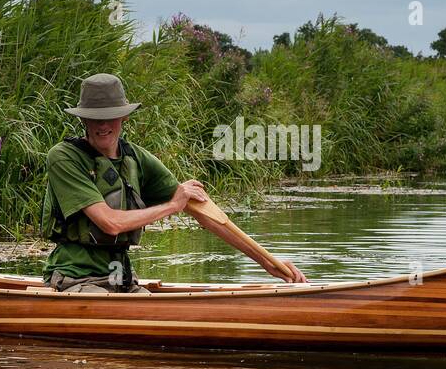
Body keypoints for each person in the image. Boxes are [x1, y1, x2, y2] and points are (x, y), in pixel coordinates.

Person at [42, 73, 307, 293]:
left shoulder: (135, 158)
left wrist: (267, 262)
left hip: (120, 280)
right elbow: (110, 223)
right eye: (94, 117)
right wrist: (171, 206)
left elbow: (203, 211)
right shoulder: (64, 157)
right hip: (76, 279)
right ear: (83, 119)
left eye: (110, 116)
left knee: (143, 310)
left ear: (124, 117)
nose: (102, 125)